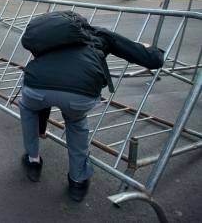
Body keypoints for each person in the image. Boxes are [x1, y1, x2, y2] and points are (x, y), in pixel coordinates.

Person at [19, 11, 164, 202]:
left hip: (36, 87)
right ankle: (77, 181)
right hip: (80, 93)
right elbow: (152, 60)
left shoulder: (49, 39)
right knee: (75, 121)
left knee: (30, 108)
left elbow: (51, 75)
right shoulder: (99, 34)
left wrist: (42, 126)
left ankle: (33, 161)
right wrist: (152, 50)